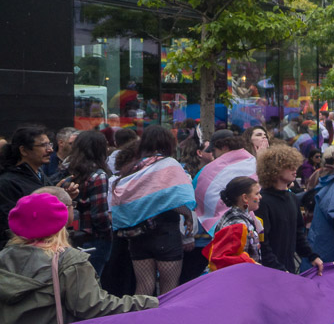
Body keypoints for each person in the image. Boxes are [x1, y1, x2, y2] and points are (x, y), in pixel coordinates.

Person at [0, 191, 157, 324]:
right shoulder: (69, 261)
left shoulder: (4, 256)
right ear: (60, 224)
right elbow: (93, 307)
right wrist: (146, 303)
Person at [109, 126, 197, 297]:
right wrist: (187, 214)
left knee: (143, 286)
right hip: (165, 234)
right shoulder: (169, 164)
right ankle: (164, 316)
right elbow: (175, 199)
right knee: (169, 289)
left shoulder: (133, 167)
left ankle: (139, 315)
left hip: (137, 235)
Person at [256, 146, 322, 275]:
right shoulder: (262, 201)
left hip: (287, 268)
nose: (294, 169)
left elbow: (298, 233)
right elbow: (262, 242)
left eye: (295, 165)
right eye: (289, 166)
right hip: (269, 271)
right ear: (274, 169)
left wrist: (311, 256)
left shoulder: (292, 198)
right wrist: (278, 268)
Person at [0, 127, 63, 242]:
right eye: (43, 145)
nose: (50, 150)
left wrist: (60, 196)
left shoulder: (40, 175)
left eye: (50, 144)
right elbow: (11, 224)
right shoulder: (7, 182)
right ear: (24, 150)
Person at [64, 130, 113, 275]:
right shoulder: (98, 175)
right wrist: (108, 232)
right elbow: (100, 214)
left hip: (71, 236)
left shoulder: (69, 171)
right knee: (93, 279)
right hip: (95, 238)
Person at [205, 176, 264, 271]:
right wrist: (252, 263)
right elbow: (225, 258)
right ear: (245, 198)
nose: (260, 197)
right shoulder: (237, 224)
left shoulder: (238, 216)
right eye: (257, 193)